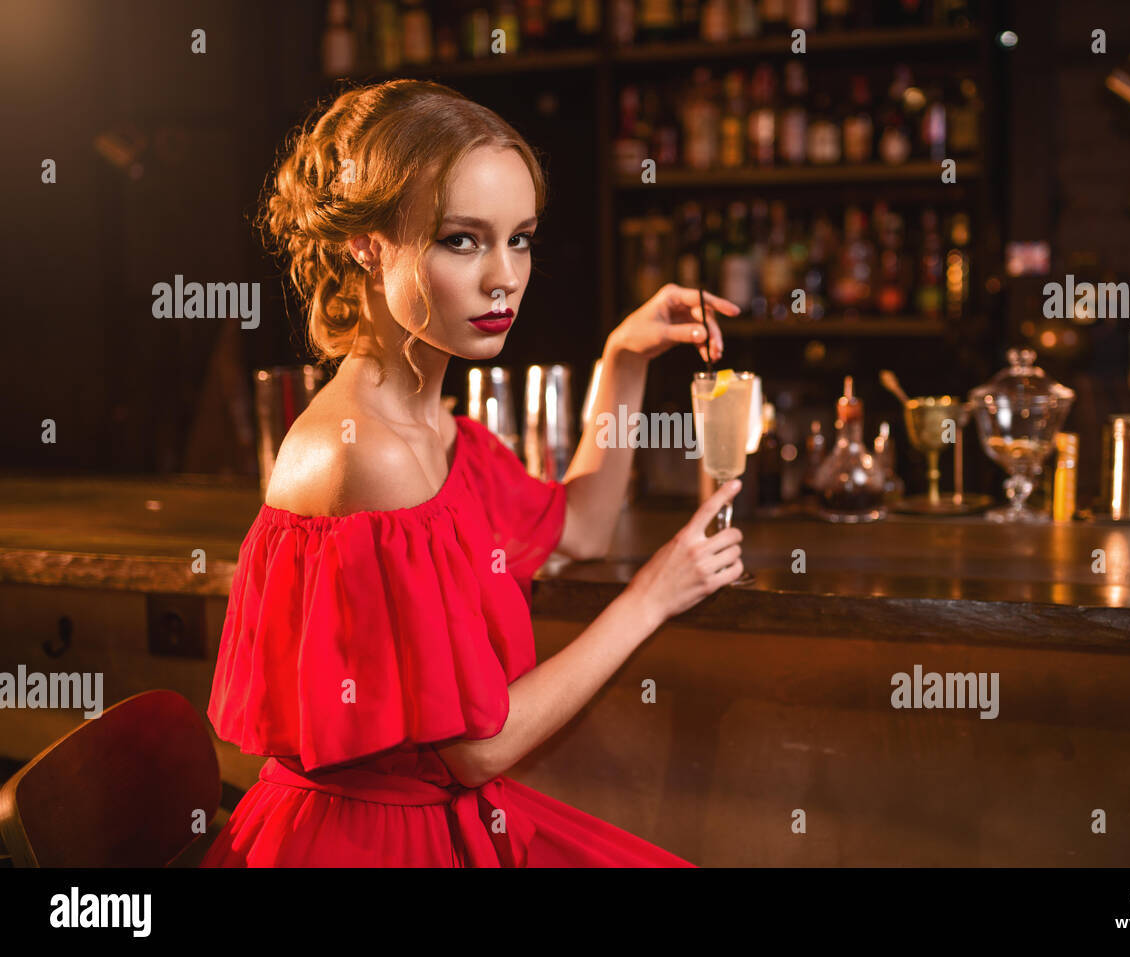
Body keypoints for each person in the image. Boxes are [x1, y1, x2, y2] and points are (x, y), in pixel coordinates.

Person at [202, 79, 747, 867]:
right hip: (364, 844)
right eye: (462, 239)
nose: (505, 277)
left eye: (519, 237)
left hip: (445, 823)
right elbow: (479, 751)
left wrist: (623, 358)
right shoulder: (368, 452)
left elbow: (585, 526)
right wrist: (652, 596)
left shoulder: (444, 433)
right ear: (369, 242)